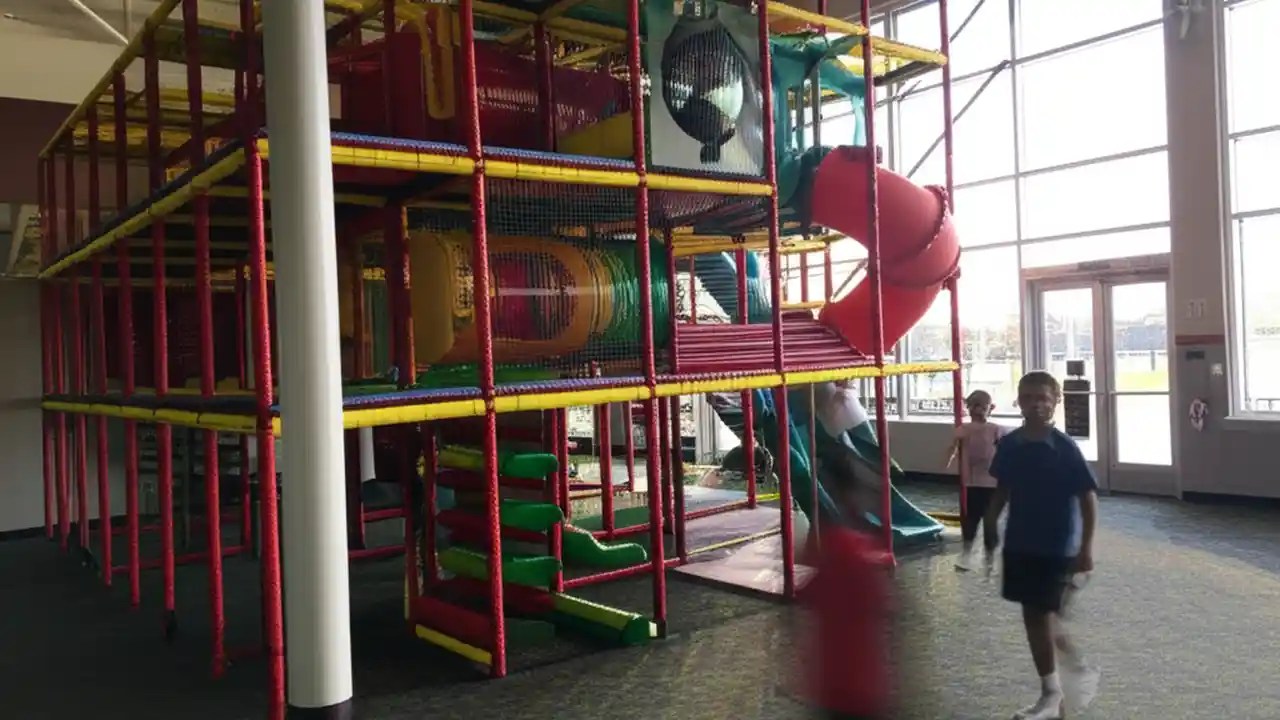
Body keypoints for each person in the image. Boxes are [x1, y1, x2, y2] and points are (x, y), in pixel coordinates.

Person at [984, 371, 1101, 719]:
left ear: (1055, 402)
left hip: (1057, 545)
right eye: (1028, 397)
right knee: (1037, 616)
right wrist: (989, 523)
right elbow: (1003, 490)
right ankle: (1064, 682)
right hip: (1020, 541)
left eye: (1043, 398)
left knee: (1041, 614)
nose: (1035, 404)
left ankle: (1055, 692)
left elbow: (1087, 498)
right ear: (1018, 401)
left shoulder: (1063, 448)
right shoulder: (1010, 445)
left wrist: (1086, 548)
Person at [804, 446, 895, 720]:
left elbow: (812, 597)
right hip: (857, 684)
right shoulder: (855, 550)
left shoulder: (836, 547)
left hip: (838, 683)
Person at [947, 389, 1009, 571]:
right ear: (968, 408)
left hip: (992, 482)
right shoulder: (964, 430)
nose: (978, 410)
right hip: (972, 482)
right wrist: (947, 461)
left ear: (991, 408)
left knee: (990, 519)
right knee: (971, 518)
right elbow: (952, 448)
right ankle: (967, 552)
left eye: (982, 406)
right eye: (974, 406)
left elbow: (1005, 451)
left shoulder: (995, 429)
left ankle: (990, 556)